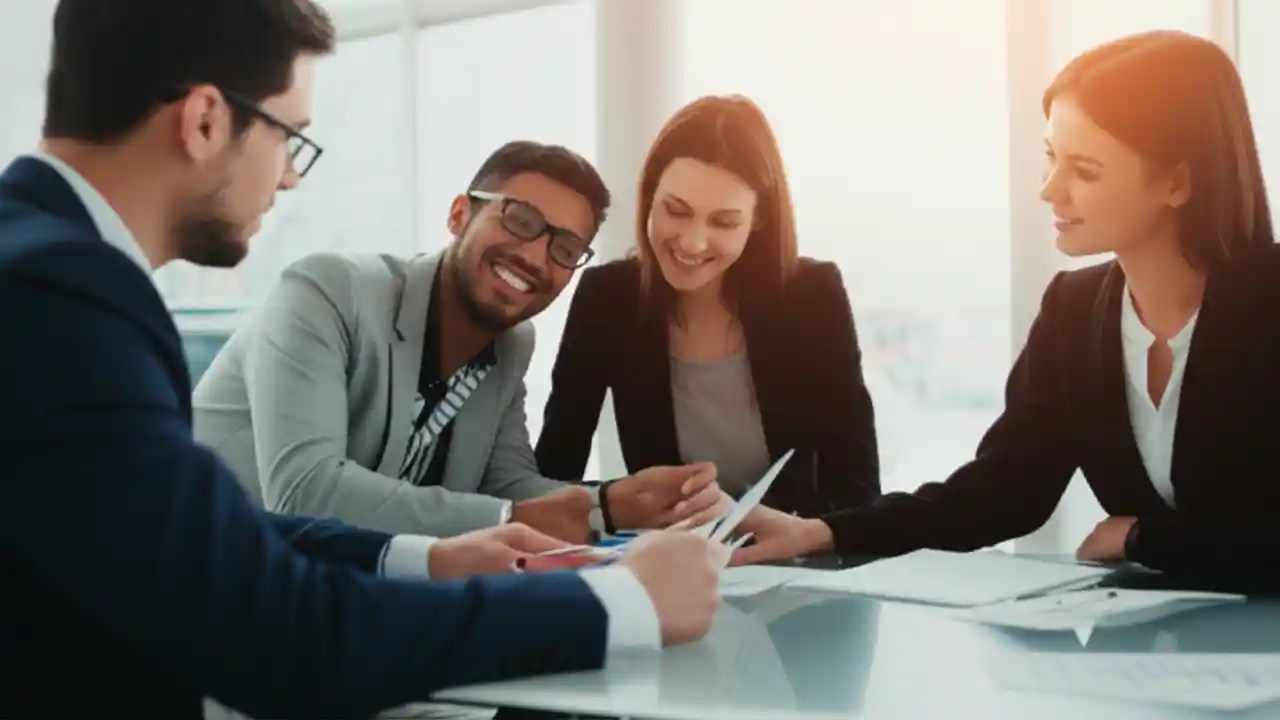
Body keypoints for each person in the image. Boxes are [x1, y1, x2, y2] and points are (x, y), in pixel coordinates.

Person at [0, 2, 724, 718]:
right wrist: (614, 605)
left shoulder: (44, 268)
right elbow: (279, 630)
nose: (289, 179)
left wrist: (428, 557)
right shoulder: (65, 299)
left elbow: (186, 542)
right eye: (291, 138)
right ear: (205, 122)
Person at [733, 30, 1280, 577]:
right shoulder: (1074, 311)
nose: (1049, 189)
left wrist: (1144, 538)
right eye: (1051, 157)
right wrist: (827, 531)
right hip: (1165, 648)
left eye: (1084, 170)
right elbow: (1003, 490)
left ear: (1177, 183)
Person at [193, 140, 726, 544]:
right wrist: (514, 520)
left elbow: (507, 482)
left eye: (564, 247)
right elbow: (304, 491)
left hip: (331, 596)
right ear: (458, 214)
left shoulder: (512, 345)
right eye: (520, 220)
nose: (535, 256)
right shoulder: (327, 291)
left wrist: (610, 502)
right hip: (189, 583)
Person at [536, 95, 880, 518]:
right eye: (675, 211)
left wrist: (748, 520)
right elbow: (554, 475)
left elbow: (858, 494)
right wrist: (612, 508)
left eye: (723, 222)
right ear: (649, 199)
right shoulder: (607, 298)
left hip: (791, 559)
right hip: (668, 557)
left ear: (758, 221)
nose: (692, 243)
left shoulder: (812, 296)